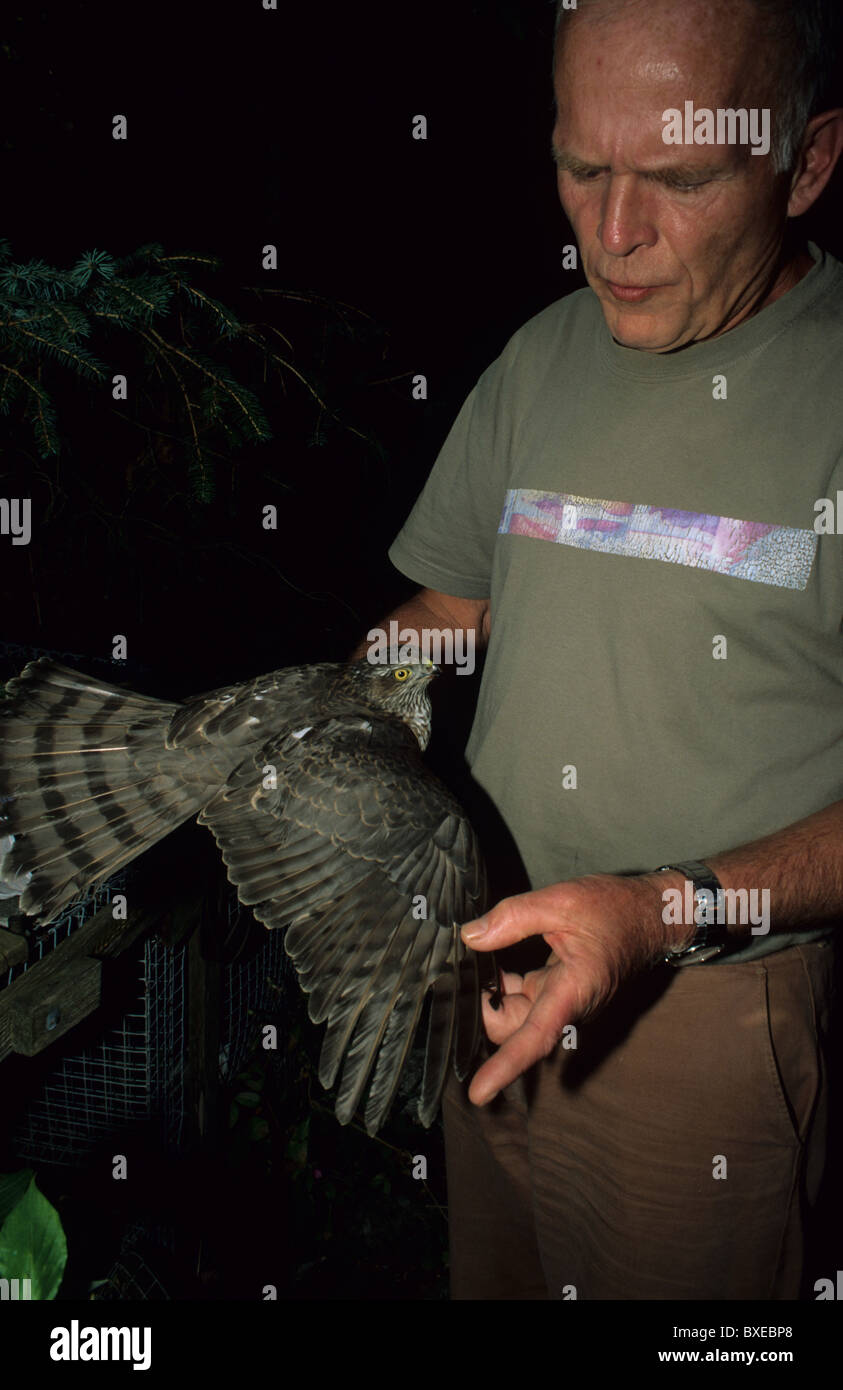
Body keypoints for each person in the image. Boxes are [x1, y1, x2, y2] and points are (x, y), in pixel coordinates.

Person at [357, 0, 843, 1299]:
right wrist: (322, 720)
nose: (613, 236)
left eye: (679, 180)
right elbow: (448, 614)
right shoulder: (541, 357)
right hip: (492, 971)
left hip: (705, 1028)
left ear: (806, 163)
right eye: (582, 166)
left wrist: (655, 911)